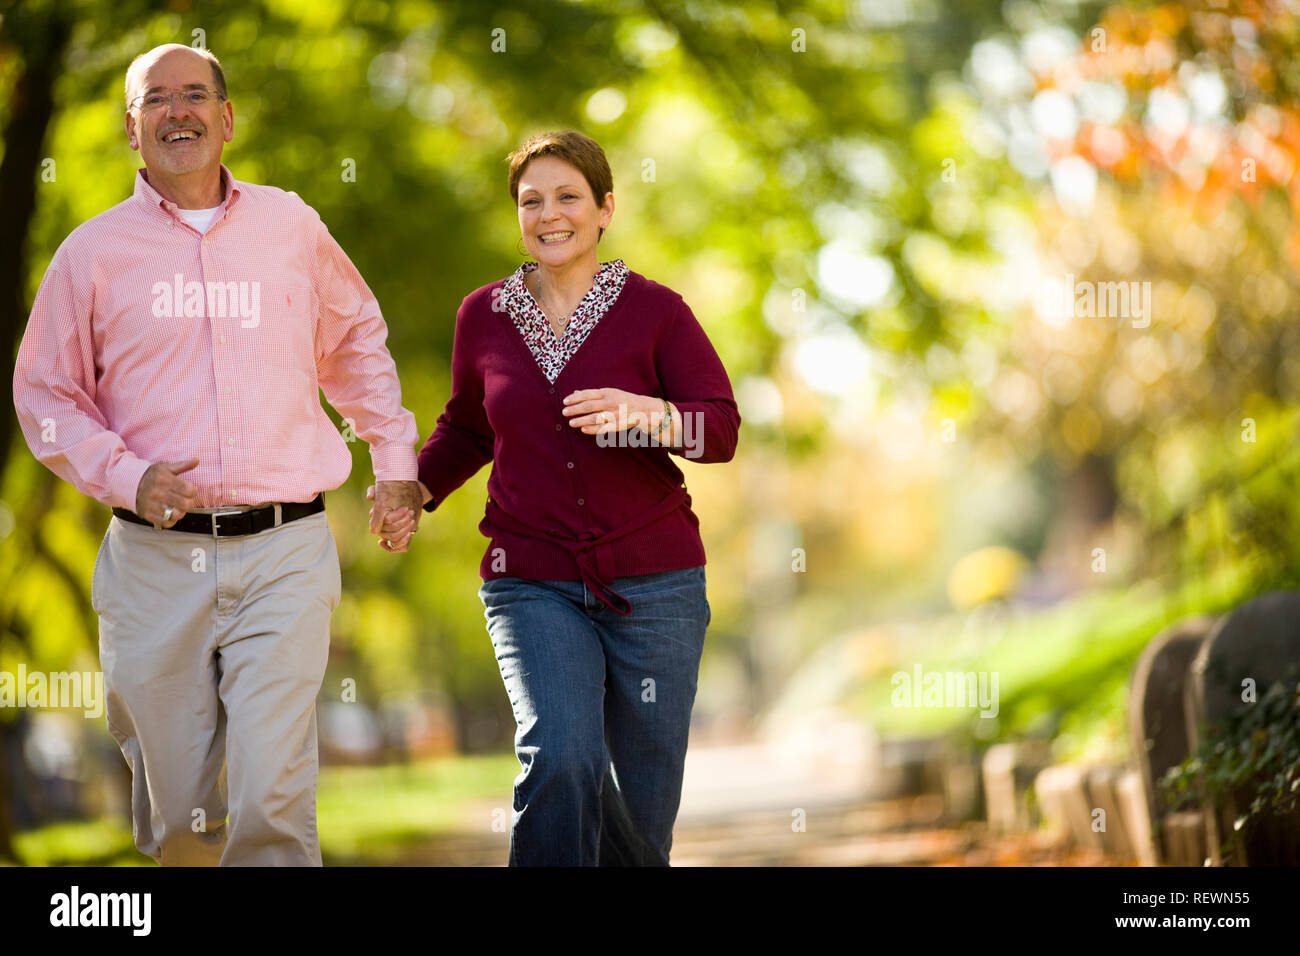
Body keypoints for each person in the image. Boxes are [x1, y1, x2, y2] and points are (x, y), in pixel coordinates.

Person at [12, 43, 423, 866]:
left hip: (285, 549)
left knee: (273, 794)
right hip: (154, 562)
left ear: (226, 118)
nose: (178, 111)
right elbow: (45, 397)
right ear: (132, 129)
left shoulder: (292, 225)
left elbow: (354, 341)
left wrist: (394, 459)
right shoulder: (89, 255)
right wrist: (126, 474)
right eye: (156, 100)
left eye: (194, 95)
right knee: (180, 819)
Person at [380, 129, 740, 865]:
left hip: (658, 582)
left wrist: (649, 414)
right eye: (530, 200)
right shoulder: (482, 314)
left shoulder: (657, 311)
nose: (549, 214)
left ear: (605, 207)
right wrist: (413, 487)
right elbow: (469, 426)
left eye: (567, 197)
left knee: (641, 812)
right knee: (561, 755)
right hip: (531, 576)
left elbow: (722, 430)